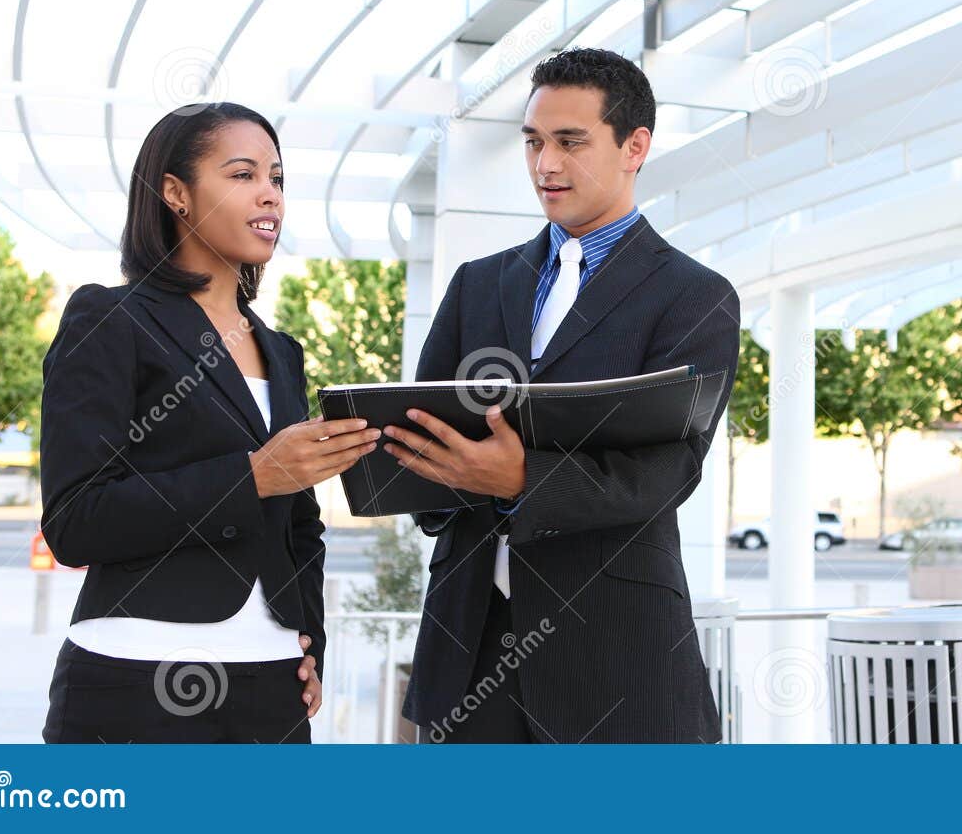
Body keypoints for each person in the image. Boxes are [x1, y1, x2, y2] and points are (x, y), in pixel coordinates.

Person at [387, 48, 741, 743]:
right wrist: (404, 459)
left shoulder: (695, 297)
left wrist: (522, 478)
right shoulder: (478, 285)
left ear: (634, 146)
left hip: (616, 657)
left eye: (570, 142)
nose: (545, 164)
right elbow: (422, 432)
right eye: (533, 141)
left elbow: (669, 471)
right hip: (468, 650)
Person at [37, 102, 380, 743]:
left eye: (278, 178)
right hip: (136, 677)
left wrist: (312, 646)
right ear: (175, 194)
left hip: (274, 689)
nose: (269, 195)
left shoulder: (282, 351)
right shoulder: (111, 319)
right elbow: (74, 522)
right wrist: (251, 476)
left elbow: (300, 528)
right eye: (243, 174)